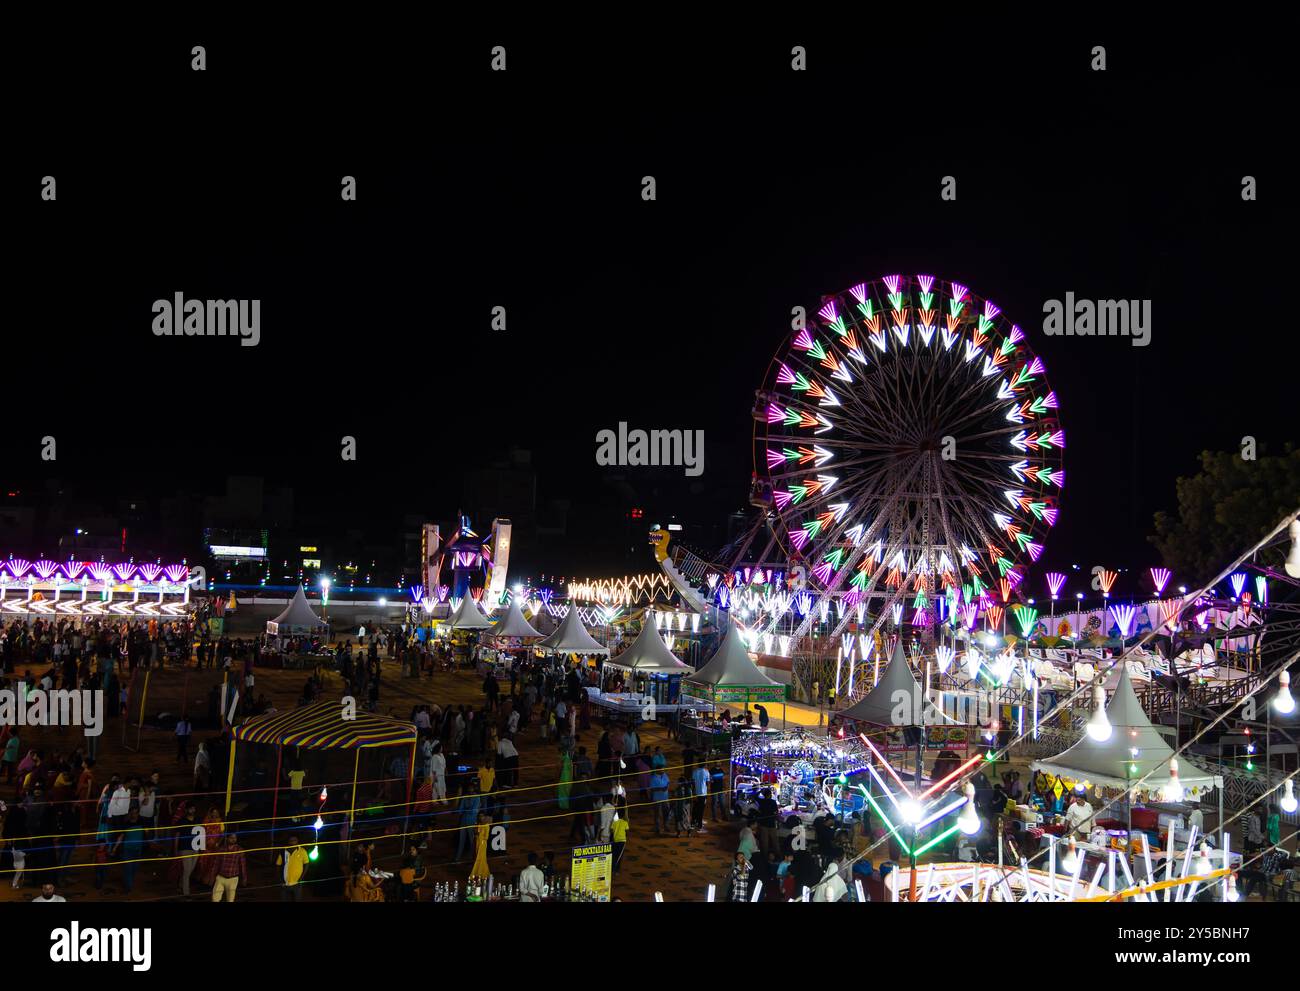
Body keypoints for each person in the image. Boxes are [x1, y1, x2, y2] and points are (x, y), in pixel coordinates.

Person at [212, 833, 248, 902]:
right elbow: (216, 863)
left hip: (233, 879)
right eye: (231, 837)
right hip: (220, 878)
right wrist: (213, 876)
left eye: (235, 838)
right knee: (215, 899)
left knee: (230, 900)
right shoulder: (222, 849)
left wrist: (244, 879)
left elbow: (242, 866)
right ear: (227, 838)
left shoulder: (239, 850)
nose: (233, 839)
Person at [277, 834, 310, 902]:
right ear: (288, 842)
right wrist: (280, 879)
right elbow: (278, 865)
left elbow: (306, 864)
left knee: (297, 899)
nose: (292, 842)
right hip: (284, 882)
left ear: (297, 841)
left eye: (294, 840)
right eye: (291, 840)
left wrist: (301, 878)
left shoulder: (302, 851)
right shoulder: (283, 851)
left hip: (297, 882)